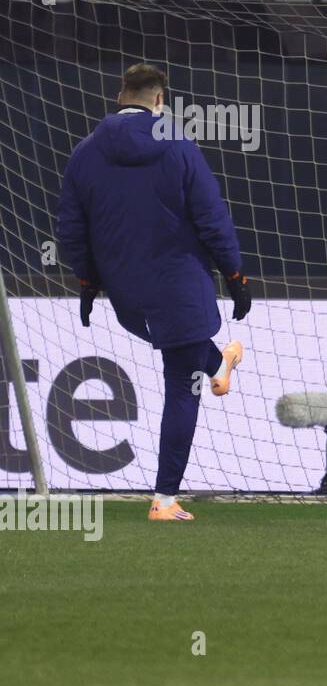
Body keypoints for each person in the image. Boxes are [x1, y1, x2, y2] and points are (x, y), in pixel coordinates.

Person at [58, 64, 251, 520]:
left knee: (182, 351)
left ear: (120, 95)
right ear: (160, 101)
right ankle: (164, 500)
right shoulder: (179, 145)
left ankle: (218, 362)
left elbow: (70, 228)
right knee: (182, 387)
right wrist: (235, 275)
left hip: (127, 296)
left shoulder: (84, 153)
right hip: (178, 287)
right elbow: (211, 216)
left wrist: (86, 282)